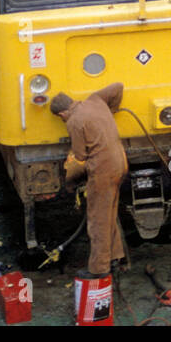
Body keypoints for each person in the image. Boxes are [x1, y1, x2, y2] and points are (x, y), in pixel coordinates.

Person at [50, 83, 129, 278]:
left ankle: (99, 269)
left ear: (62, 114)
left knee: (97, 221)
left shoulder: (74, 121)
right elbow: (118, 87)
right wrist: (111, 112)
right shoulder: (95, 100)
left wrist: (70, 177)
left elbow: (80, 155)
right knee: (109, 212)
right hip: (121, 162)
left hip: (103, 170)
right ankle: (115, 256)